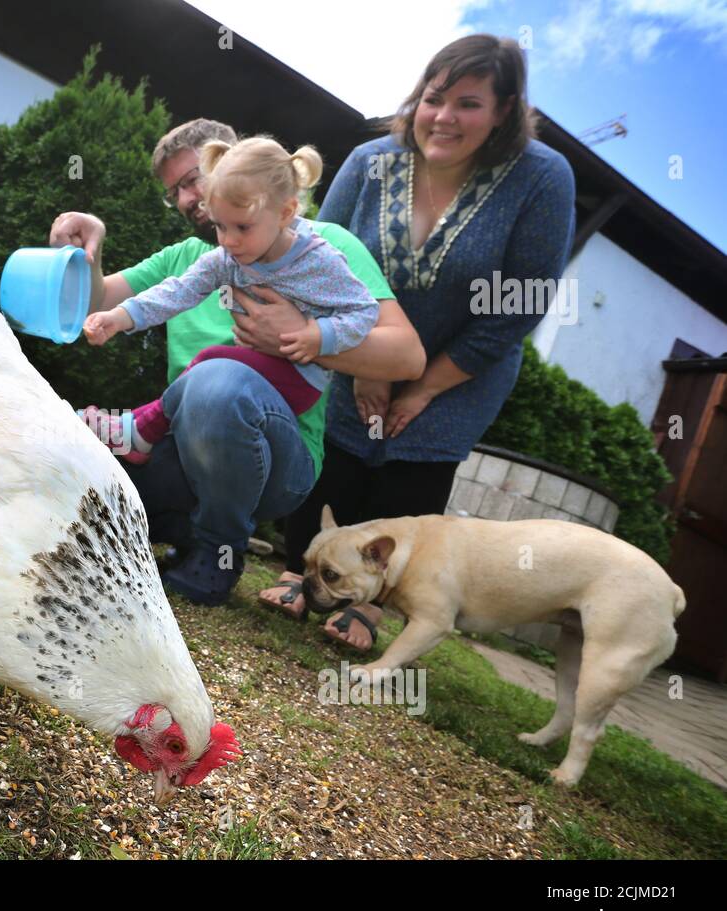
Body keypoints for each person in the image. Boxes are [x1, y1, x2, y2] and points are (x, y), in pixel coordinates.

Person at [259, 34, 577, 649]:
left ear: (505, 111)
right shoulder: (369, 161)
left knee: (410, 482)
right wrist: (365, 363)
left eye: (469, 104)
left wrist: (426, 385)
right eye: (435, 99)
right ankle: (303, 570)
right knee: (340, 463)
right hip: (356, 342)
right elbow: (320, 257)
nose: (445, 118)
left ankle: (372, 607)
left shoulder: (542, 178)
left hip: (463, 369)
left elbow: (523, 301)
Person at [49, 119, 425, 606]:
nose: (188, 199)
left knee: (215, 378)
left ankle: (215, 551)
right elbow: (113, 302)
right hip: (185, 449)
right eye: (175, 192)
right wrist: (98, 269)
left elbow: (403, 351)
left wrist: (307, 337)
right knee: (80, 473)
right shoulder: (208, 255)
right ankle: (173, 530)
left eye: (192, 180)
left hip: (272, 449)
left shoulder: (325, 249)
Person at [80, 137, 379, 465]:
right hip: (247, 375)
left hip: (300, 382)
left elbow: (364, 311)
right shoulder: (227, 258)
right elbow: (177, 291)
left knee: (212, 363)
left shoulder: (319, 259)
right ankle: (147, 433)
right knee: (216, 373)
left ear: (285, 213)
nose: (229, 240)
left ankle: (139, 432)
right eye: (220, 226)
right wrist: (120, 317)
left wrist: (319, 336)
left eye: (242, 227)